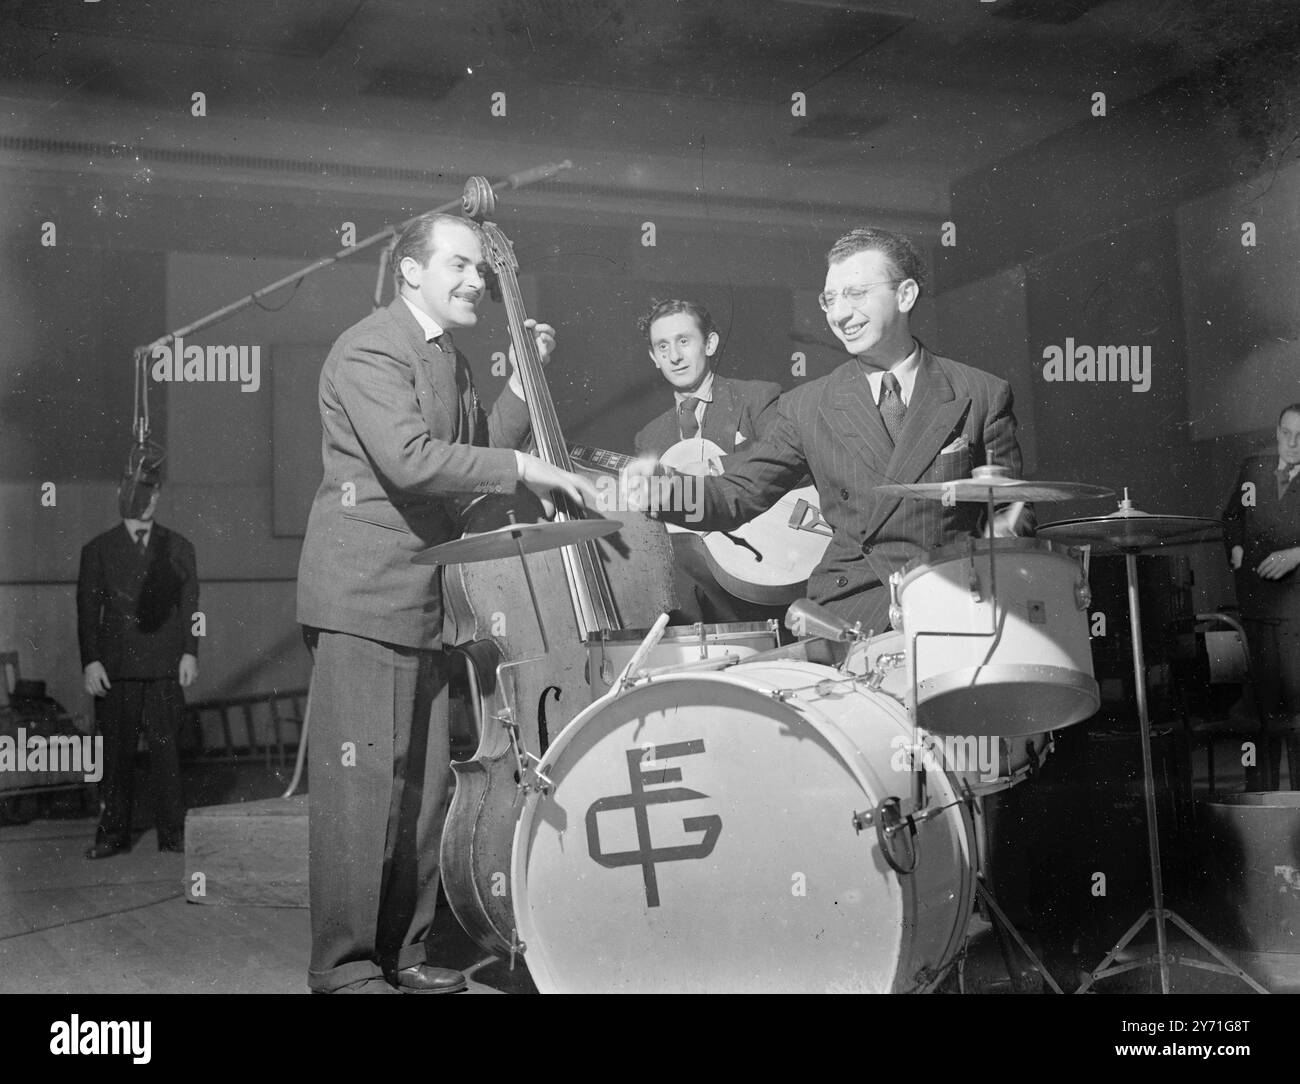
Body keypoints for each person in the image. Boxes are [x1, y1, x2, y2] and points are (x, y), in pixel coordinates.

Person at [296, 211, 596, 995]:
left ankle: (401, 952)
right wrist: (525, 467)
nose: (476, 281)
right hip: (363, 597)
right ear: (411, 272)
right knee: (363, 790)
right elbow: (411, 458)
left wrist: (519, 382)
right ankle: (343, 968)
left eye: (480, 271)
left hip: (425, 599)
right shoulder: (371, 346)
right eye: (460, 266)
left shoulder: (448, 359)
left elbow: (474, 452)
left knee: (422, 793)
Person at [630, 226, 1029, 635]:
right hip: (850, 610)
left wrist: (1002, 540)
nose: (839, 314)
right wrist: (666, 490)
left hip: (953, 603)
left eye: (856, 294)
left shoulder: (981, 393)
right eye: (830, 299)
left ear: (906, 295)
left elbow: (1012, 509)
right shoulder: (807, 405)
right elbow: (739, 491)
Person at [632, 298, 785, 625]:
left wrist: (716, 467)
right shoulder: (649, 438)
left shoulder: (756, 398)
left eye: (684, 341)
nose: (674, 356)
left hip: (767, 568)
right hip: (701, 594)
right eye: (662, 346)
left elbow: (790, 462)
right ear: (653, 358)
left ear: (711, 343)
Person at [78, 465, 198, 858]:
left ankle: (173, 835)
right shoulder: (98, 550)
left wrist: (189, 653)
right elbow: (87, 613)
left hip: (165, 668)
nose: (149, 500)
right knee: (115, 757)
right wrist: (91, 662)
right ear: (123, 494)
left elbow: (191, 608)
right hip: (116, 672)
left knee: (167, 755)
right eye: (141, 492)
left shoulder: (178, 547)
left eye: (154, 491)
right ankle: (112, 834)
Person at [1222, 402, 1300, 787]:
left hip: (1297, 612)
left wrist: (1296, 555)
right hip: (1256, 605)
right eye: (1287, 433)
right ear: (1276, 432)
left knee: (1298, 713)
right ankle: (1262, 802)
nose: (1293, 443)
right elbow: (1233, 515)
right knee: (1260, 713)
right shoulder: (1253, 469)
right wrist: (1235, 549)